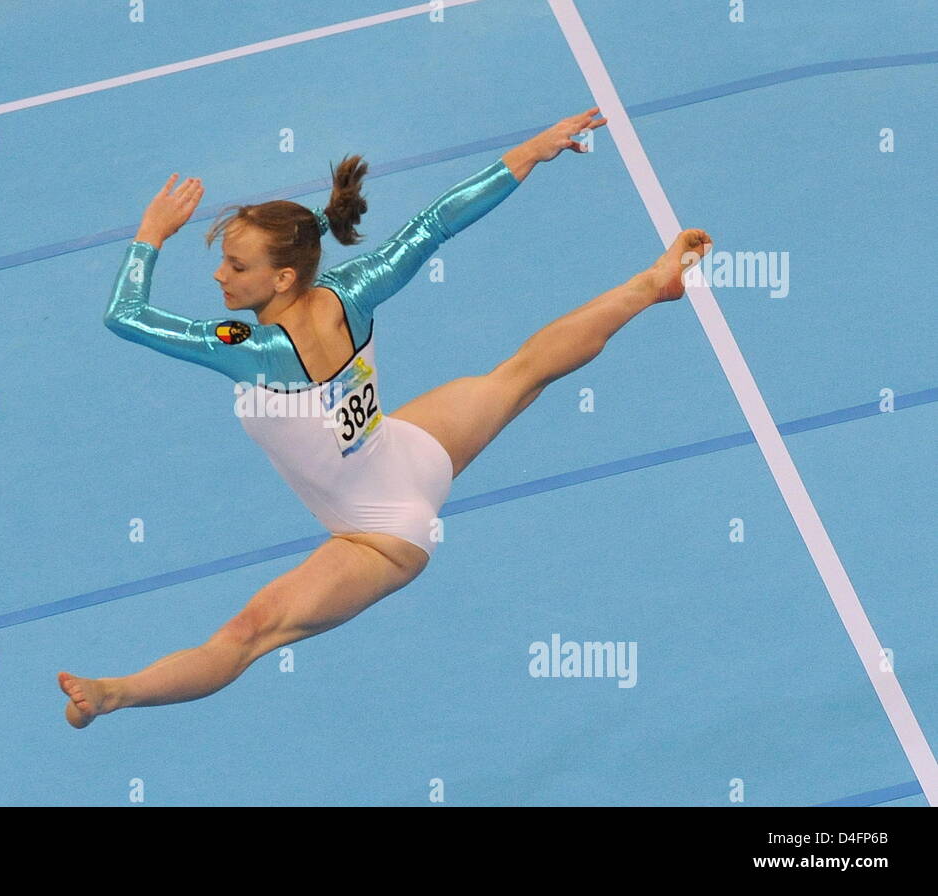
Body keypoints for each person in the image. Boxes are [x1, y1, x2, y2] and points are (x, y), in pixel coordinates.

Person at [60, 107, 711, 727]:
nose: (219, 277)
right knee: (521, 373)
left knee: (246, 636)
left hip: (379, 534)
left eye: (235, 265)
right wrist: (530, 154)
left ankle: (114, 693)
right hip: (406, 452)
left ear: (283, 277)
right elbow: (435, 223)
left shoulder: (250, 351)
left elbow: (127, 316)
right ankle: (652, 284)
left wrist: (150, 233)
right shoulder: (353, 289)